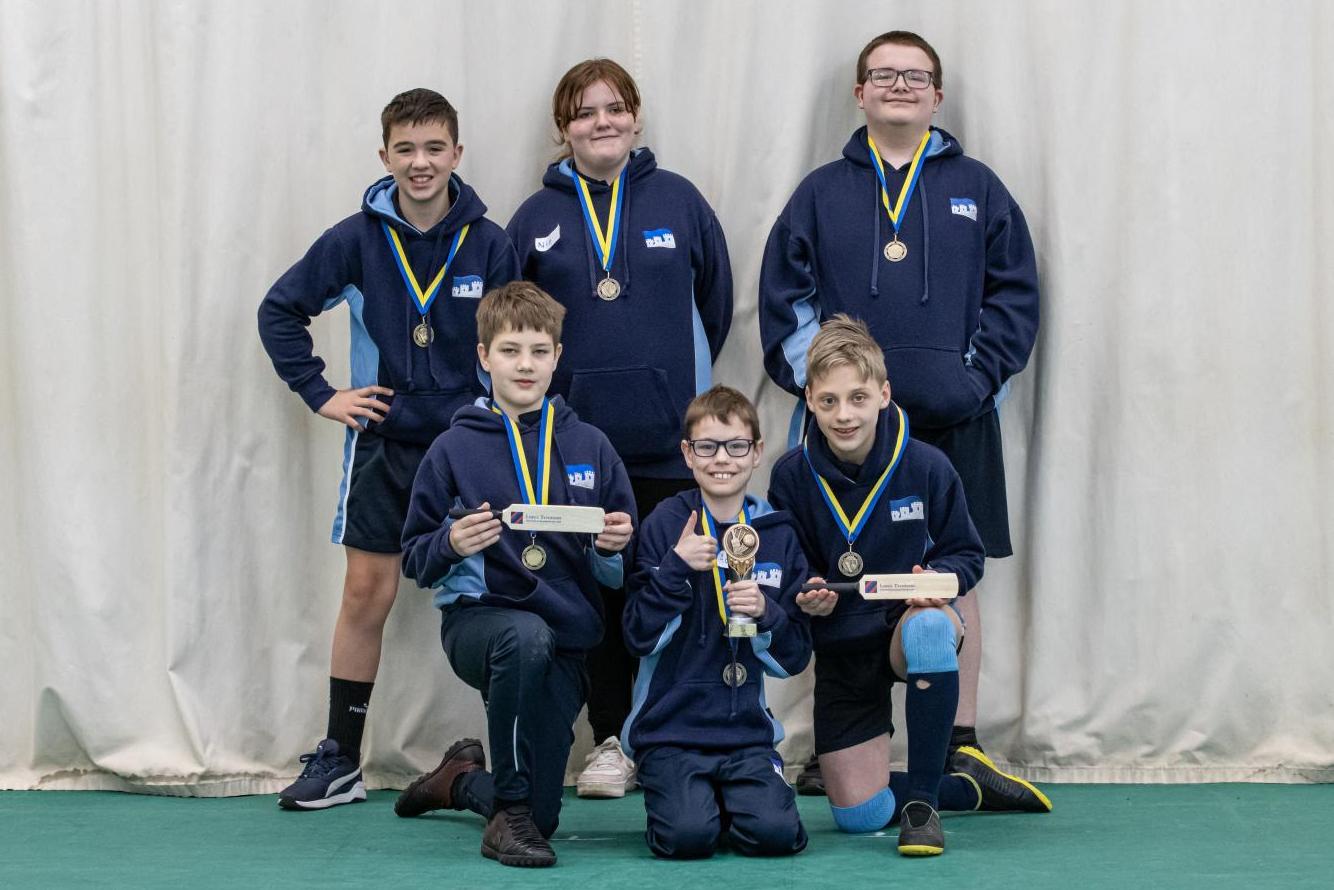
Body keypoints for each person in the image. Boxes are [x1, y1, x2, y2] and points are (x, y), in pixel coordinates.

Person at [759, 31, 1040, 787]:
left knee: (954, 574)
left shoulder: (978, 187)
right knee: (834, 571)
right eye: (883, 75)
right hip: (847, 427)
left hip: (955, 421)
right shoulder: (820, 191)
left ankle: (958, 743)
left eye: (916, 76)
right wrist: (821, 386)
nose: (900, 86)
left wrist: (974, 381)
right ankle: (841, 740)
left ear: (937, 95)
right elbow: (783, 297)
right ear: (859, 93)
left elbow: (1015, 295)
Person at [257, 88, 519, 810]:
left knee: (498, 593)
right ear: (384, 156)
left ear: (457, 153)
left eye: (434, 147)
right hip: (383, 445)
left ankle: (513, 762)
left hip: (470, 449)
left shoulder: (490, 243)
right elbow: (280, 311)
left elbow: (517, 341)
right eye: (405, 149)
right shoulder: (355, 239)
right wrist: (322, 394)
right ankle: (342, 759)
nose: (420, 162)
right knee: (365, 594)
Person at [507, 58, 734, 798]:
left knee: (667, 585)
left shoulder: (680, 200)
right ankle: (609, 739)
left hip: (669, 444)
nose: (601, 122)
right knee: (598, 597)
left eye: (614, 108)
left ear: (635, 117)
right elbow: (516, 330)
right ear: (562, 128)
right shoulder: (534, 219)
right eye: (584, 112)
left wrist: (671, 392)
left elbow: (715, 306)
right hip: (574, 448)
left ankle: (666, 735)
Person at [768, 316, 1049, 857]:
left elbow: (965, 555)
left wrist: (939, 581)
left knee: (930, 629)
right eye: (828, 401)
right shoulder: (791, 476)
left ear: (883, 394)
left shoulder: (927, 465)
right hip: (843, 648)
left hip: (904, 624)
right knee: (859, 815)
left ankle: (922, 805)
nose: (844, 415)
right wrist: (806, 594)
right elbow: (787, 565)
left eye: (857, 397)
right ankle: (965, 789)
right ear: (809, 401)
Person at [393, 281, 636, 868]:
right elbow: (414, 558)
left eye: (538, 351)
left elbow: (616, 574)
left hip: (567, 637)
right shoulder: (451, 448)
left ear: (557, 356)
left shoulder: (591, 445)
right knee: (524, 637)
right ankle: (507, 815)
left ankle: (460, 782)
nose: (525, 364)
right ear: (484, 356)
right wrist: (450, 542)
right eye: (510, 350)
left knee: (537, 815)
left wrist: (613, 547)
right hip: (481, 625)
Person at [622, 385, 810, 859]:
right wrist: (674, 569)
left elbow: (794, 658)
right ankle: (695, 803)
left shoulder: (778, 533)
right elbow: (637, 635)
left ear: (757, 452)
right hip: (670, 733)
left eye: (736, 446)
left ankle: (726, 802)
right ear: (688, 454)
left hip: (746, 735)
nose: (721, 459)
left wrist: (766, 612)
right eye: (707, 447)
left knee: (776, 836)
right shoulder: (665, 524)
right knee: (686, 838)